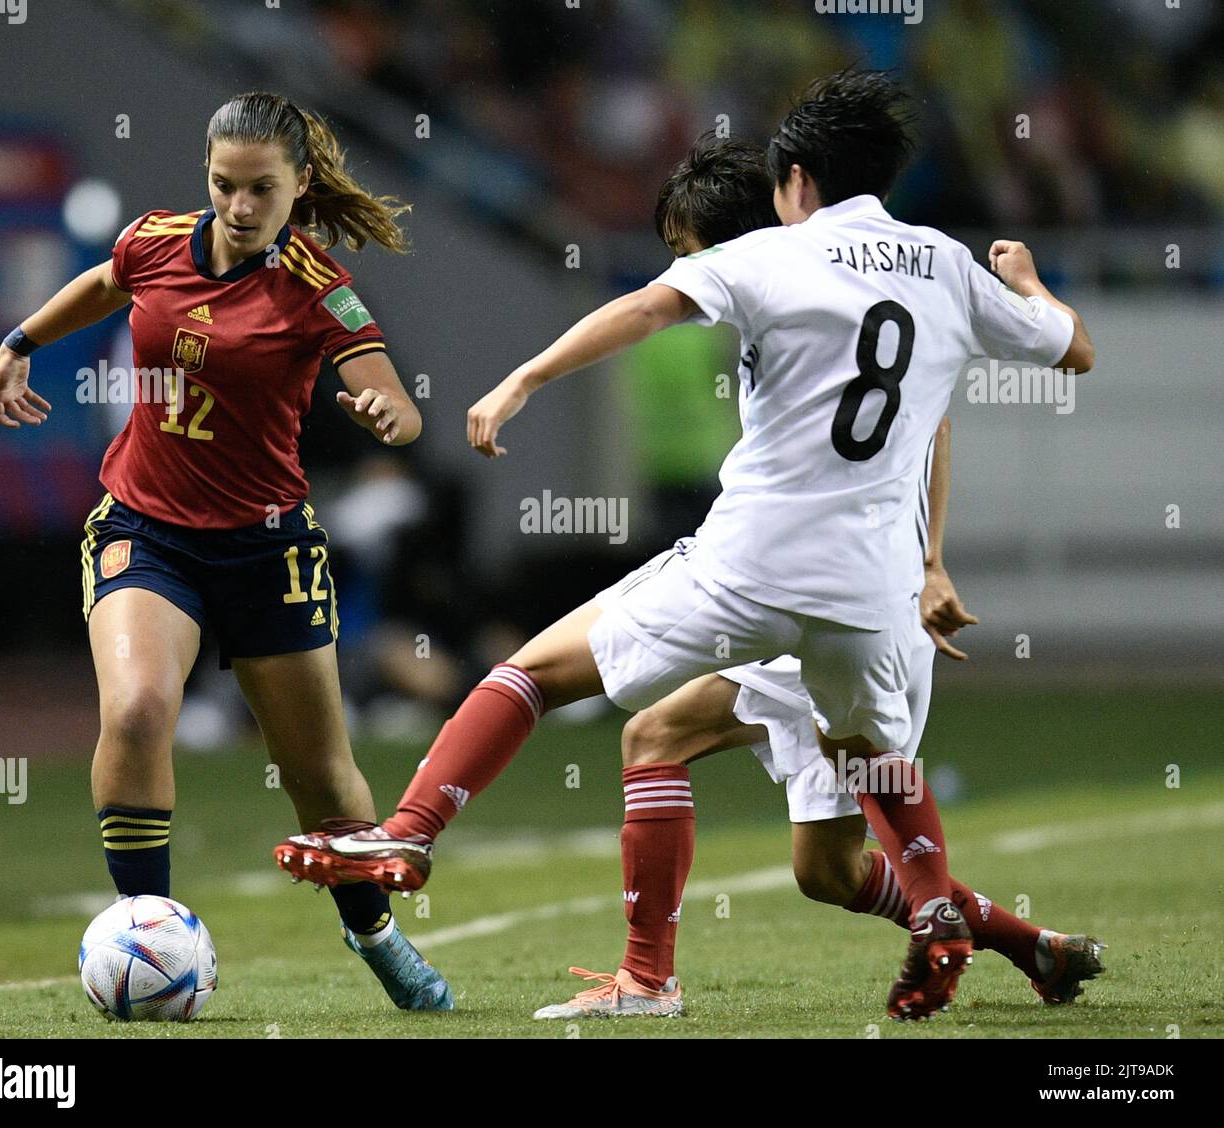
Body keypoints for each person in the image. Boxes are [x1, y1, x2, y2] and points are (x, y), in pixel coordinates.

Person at [277, 70, 1096, 1020]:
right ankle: (957, 918)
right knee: (840, 816)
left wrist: (520, 383)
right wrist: (1028, 297)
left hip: (752, 566)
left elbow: (641, 308)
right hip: (872, 598)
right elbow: (1061, 357)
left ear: (793, 179)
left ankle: (414, 838)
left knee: (534, 672)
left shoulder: (770, 257)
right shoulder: (946, 265)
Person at [528, 139, 1103, 1019]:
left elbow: (952, 420)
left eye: (688, 250)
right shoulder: (862, 298)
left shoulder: (787, 292)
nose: (683, 271)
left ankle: (647, 982)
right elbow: (937, 425)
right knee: (825, 871)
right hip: (841, 594)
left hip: (826, 602)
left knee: (655, 736)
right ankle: (1032, 948)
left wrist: (928, 563)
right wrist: (930, 562)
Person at [0, 91, 451, 1011]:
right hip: (144, 531)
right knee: (143, 707)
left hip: (266, 550)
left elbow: (393, 392)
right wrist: (23, 339)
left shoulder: (318, 284)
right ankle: (145, 931)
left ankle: (376, 936)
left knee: (320, 776)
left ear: (299, 184)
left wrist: (391, 411)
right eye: (223, 185)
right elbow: (109, 282)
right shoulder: (157, 239)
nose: (237, 206)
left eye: (260, 189)